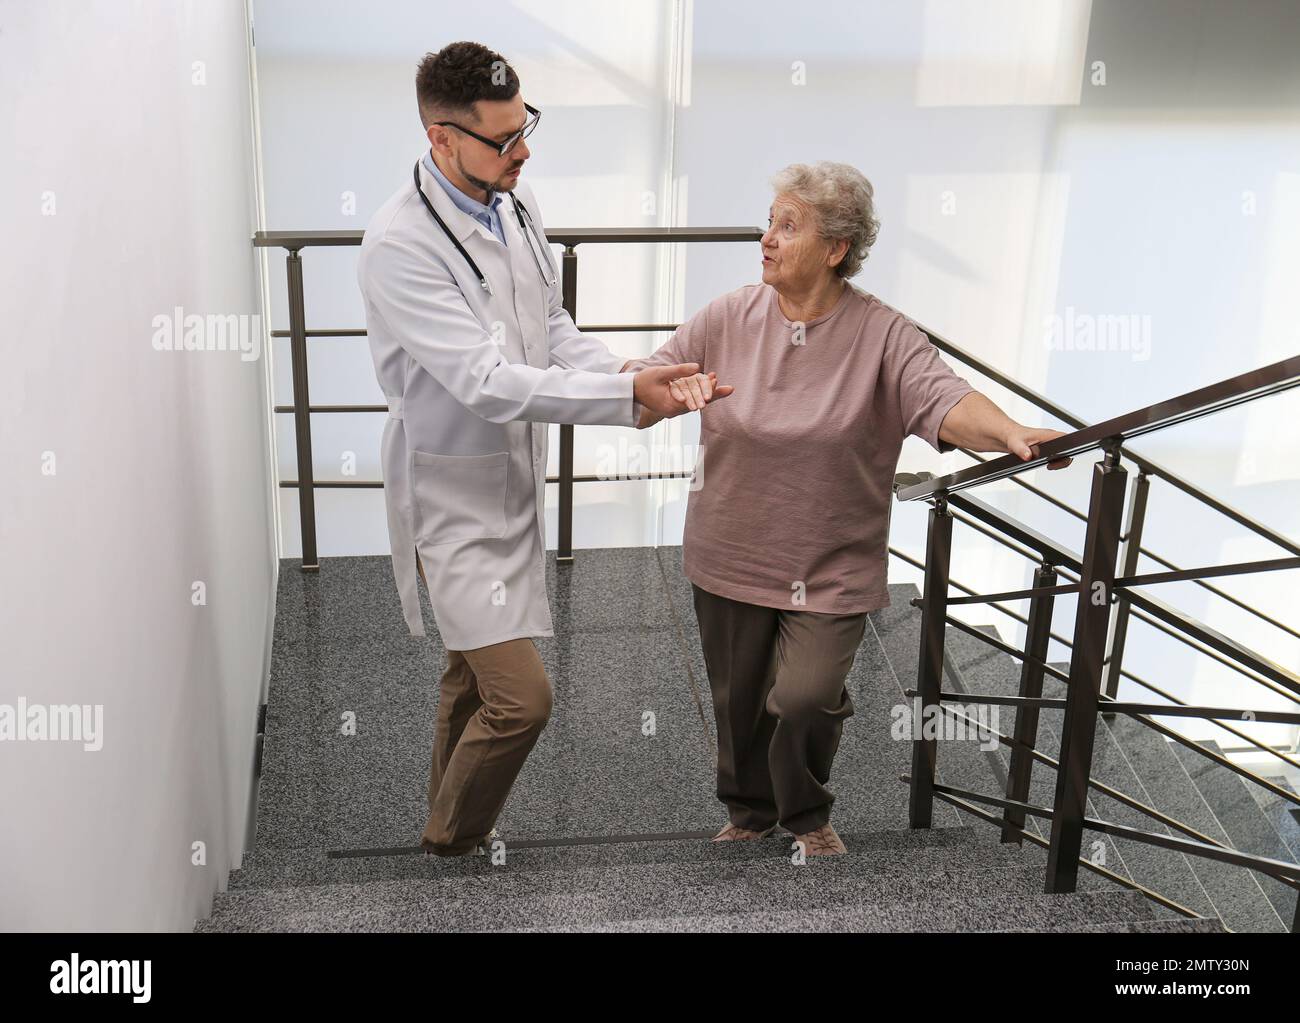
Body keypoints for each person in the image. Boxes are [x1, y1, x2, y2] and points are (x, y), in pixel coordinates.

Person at [623, 161, 1070, 856]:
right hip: (730, 553)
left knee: (805, 697)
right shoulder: (727, 317)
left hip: (829, 567)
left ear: (837, 248)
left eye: (788, 225)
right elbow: (652, 378)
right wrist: (639, 388)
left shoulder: (882, 336)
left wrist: (1009, 431)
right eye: (770, 221)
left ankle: (806, 814)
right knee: (738, 706)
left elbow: (945, 398)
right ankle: (749, 811)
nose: (767, 237)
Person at [356, 41, 726, 856]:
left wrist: (629, 371)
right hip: (448, 499)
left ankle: (438, 824)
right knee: (522, 700)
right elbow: (486, 380)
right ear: (441, 138)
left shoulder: (513, 207)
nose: (522, 151)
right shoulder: (399, 245)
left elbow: (550, 329)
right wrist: (626, 397)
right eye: (503, 139)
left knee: (470, 673)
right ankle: (455, 840)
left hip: (510, 477)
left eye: (526, 130)